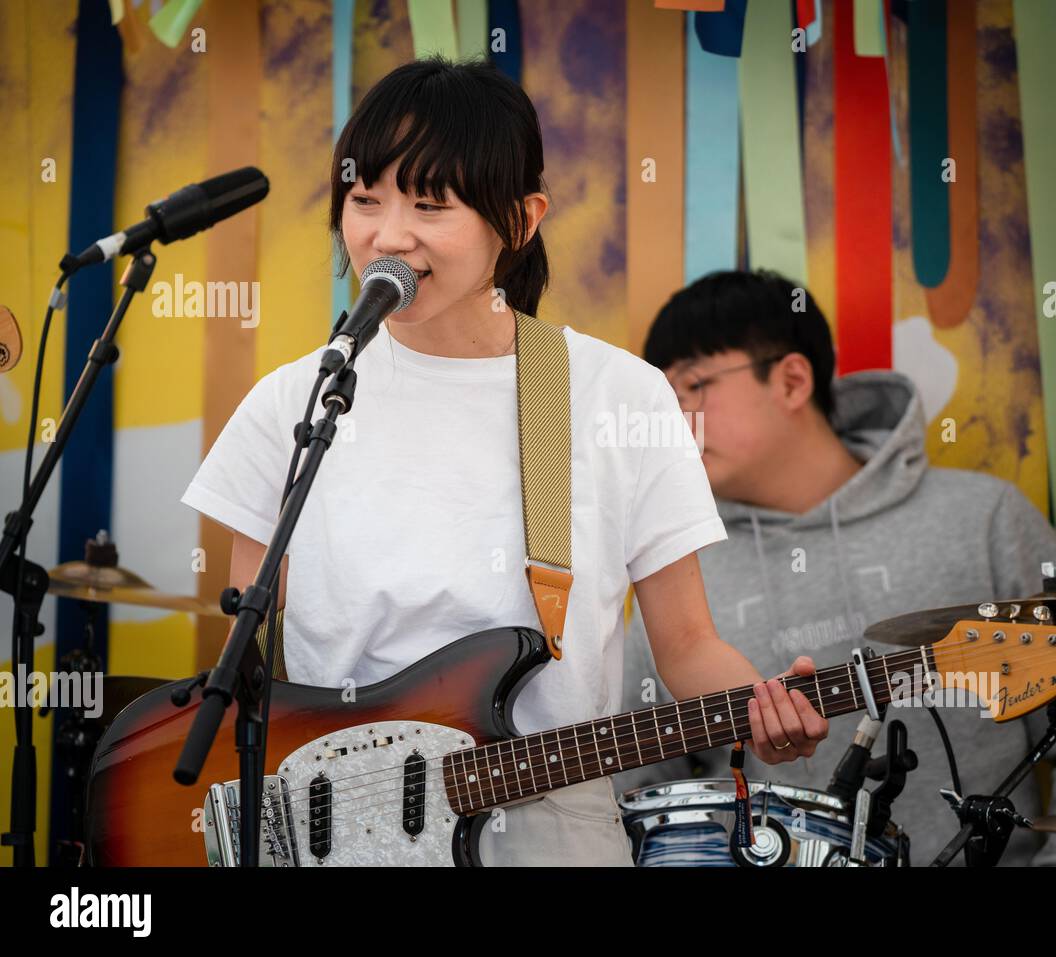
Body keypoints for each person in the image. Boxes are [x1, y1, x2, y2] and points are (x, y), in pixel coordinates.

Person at [180, 59, 827, 866]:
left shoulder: (613, 393)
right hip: (331, 831)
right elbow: (251, 659)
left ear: (520, 222)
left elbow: (689, 644)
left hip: (549, 826)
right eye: (365, 199)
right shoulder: (291, 403)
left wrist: (767, 712)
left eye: (430, 204)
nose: (387, 236)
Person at [616, 270, 1056, 866]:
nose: (674, 419)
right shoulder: (677, 576)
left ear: (792, 380)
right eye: (663, 400)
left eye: (692, 385)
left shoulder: (983, 517)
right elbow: (640, 793)